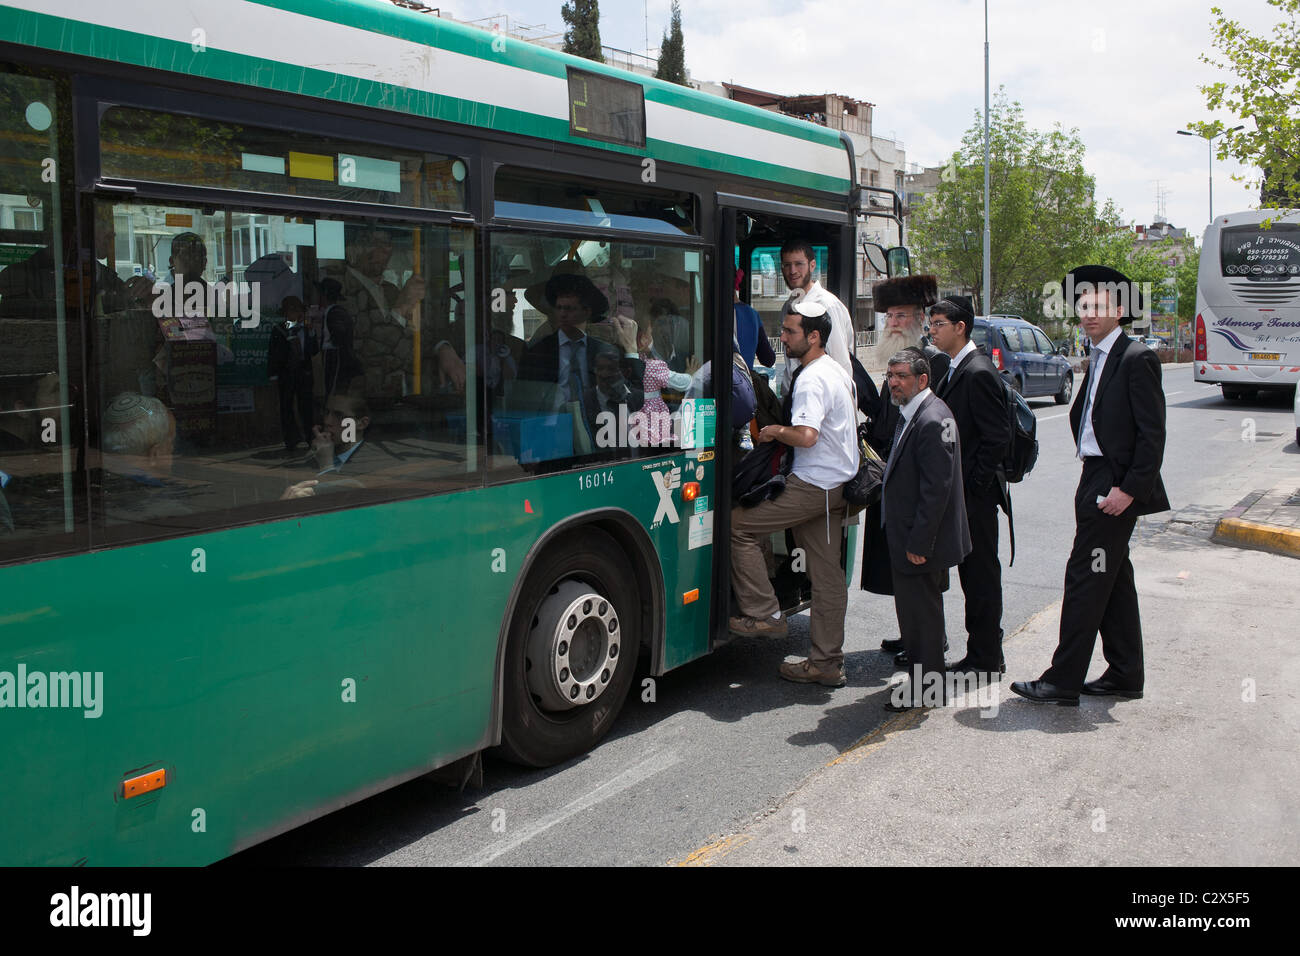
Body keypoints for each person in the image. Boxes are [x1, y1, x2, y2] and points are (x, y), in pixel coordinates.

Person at [1012, 265, 1169, 705]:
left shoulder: (1137, 358)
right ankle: (1125, 673)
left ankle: (1062, 680)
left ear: (1120, 311)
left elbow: (1152, 436)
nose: (1089, 314)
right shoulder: (1097, 356)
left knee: (1085, 576)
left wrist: (1129, 490)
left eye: (1099, 307)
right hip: (1094, 477)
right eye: (1083, 307)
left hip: (1113, 486)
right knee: (1112, 576)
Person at [729, 300, 859, 687]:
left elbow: (806, 435)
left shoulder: (812, 379)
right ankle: (826, 663)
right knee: (827, 576)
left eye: (790, 332)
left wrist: (772, 432)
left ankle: (765, 613)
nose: (782, 338)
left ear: (814, 336)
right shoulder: (833, 368)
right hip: (834, 487)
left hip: (812, 486)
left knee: (739, 525)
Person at [879, 347, 971, 710]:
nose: (894, 383)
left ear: (922, 379)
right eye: (890, 376)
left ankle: (926, 691)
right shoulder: (912, 413)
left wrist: (920, 542)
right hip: (909, 535)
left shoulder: (932, 419)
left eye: (901, 376)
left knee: (922, 619)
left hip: (919, 540)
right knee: (916, 616)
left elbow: (937, 490)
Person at [928, 295, 1012, 676]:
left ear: (960, 328)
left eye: (938, 324)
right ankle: (981, 651)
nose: (932, 330)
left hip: (975, 496)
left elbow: (997, 438)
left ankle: (986, 655)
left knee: (980, 576)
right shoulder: (955, 367)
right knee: (971, 574)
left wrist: (973, 487)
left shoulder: (977, 371)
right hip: (963, 492)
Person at [281, 391, 394, 498]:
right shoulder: (315, 456)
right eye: (326, 413)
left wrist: (326, 466)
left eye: (339, 416)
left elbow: (348, 500)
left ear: (362, 423)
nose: (327, 421)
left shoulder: (376, 464)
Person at [778, 239, 854, 387]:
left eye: (799, 264)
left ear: (812, 265)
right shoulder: (788, 306)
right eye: (787, 265)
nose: (792, 271)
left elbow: (841, 364)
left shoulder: (826, 305)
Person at [267, 296, 319, 453]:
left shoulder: (306, 329)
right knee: (286, 406)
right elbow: (273, 353)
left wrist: (311, 333)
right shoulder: (279, 329)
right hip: (286, 372)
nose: (295, 313)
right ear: (286, 313)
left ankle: (310, 437)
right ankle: (291, 438)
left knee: (306, 406)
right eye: (291, 310)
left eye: (298, 310)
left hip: (303, 372)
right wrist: (273, 374)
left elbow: (314, 350)